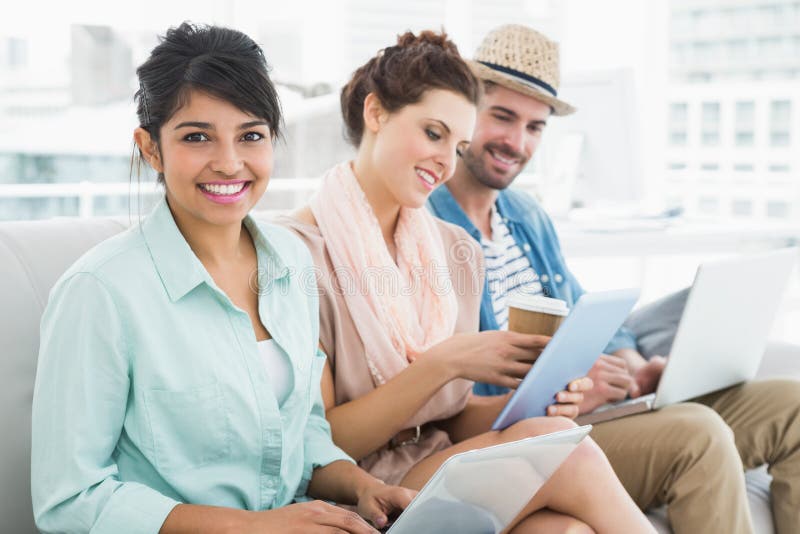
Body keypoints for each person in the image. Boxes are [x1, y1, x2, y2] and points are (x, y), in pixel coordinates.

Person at [30, 23, 414, 534]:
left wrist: (362, 486)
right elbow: (69, 499)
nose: (230, 163)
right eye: (197, 137)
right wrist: (252, 527)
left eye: (250, 135)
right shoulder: (99, 292)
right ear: (150, 148)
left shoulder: (291, 260)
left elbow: (301, 434)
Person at [279, 30, 655, 533]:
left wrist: (536, 402)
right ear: (376, 113)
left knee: (567, 528)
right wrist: (446, 362)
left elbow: (450, 419)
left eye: (457, 146)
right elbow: (321, 444)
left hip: (435, 459)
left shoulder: (454, 250)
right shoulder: (295, 254)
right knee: (575, 456)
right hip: (359, 489)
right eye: (433, 133)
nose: (445, 162)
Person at [428, 24, 800, 534]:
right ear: (465, 112)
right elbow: (452, 400)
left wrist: (634, 365)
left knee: (793, 406)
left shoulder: (526, 216)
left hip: (592, 412)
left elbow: (593, 314)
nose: (517, 143)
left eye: (535, 127)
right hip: (533, 436)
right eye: (503, 117)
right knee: (699, 434)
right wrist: (568, 391)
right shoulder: (429, 227)